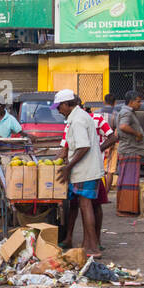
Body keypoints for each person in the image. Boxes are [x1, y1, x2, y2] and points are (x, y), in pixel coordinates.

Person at [55, 91, 106, 255]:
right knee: (86, 206)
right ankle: (88, 244)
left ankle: (93, 248)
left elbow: (84, 146)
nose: (58, 110)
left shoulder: (77, 120)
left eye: (59, 107)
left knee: (85, 206)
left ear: (66, 104)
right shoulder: (81, 117)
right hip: (89, 169)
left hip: (85, 170)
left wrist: (68, 167)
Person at [114, 90, 144, 217]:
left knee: (126, 179)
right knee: (129, 180)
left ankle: (125, 208)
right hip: (130, 150)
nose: (140, 104)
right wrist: (137, 134)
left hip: (129, 150)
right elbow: (123, 127)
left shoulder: (126, 112)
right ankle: (125, 209)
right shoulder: (126, 112)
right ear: (131, 101)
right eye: (138, 101)